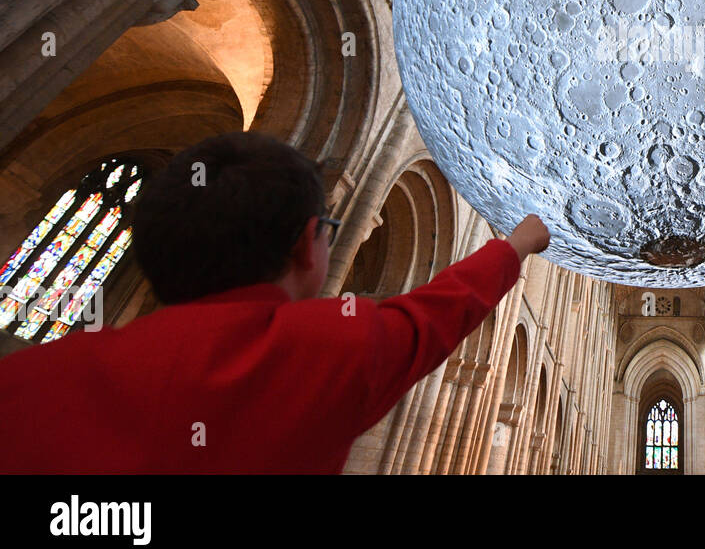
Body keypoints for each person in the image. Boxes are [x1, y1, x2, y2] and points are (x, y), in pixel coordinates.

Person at [0, 131, 549, 474]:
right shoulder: (317, 352)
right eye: (328, 229)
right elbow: (436, 312)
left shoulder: (24, 378)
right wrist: (516, 246)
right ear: (306, 245)